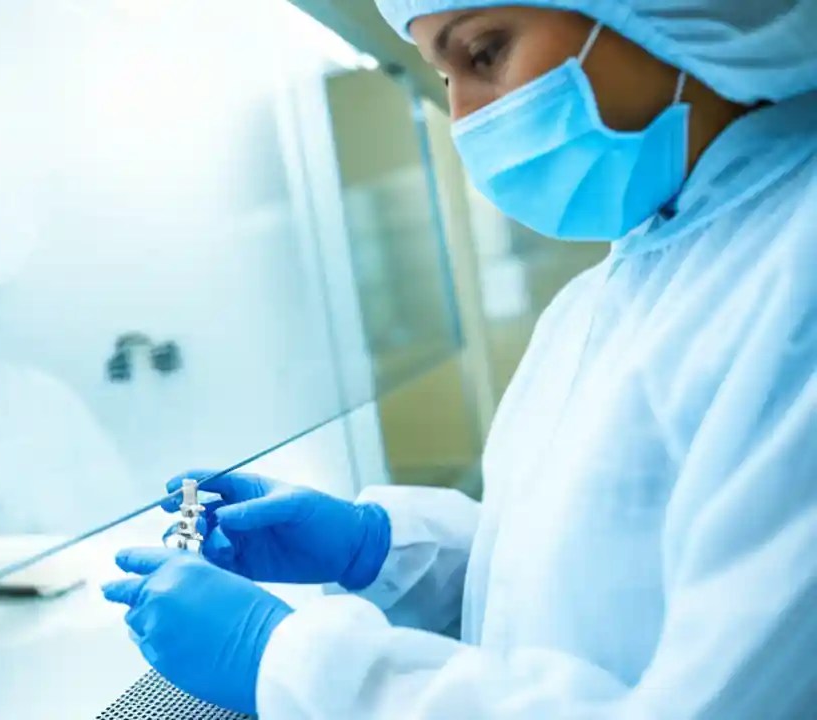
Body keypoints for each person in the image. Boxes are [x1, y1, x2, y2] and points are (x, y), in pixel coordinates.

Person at [102, 0, 817, 717]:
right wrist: (378, 550)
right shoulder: (614, 288)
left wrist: (290, 661)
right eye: (444, 80)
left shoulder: (797, 272)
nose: (466, 119)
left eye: (483, 53)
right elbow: (586, 581)